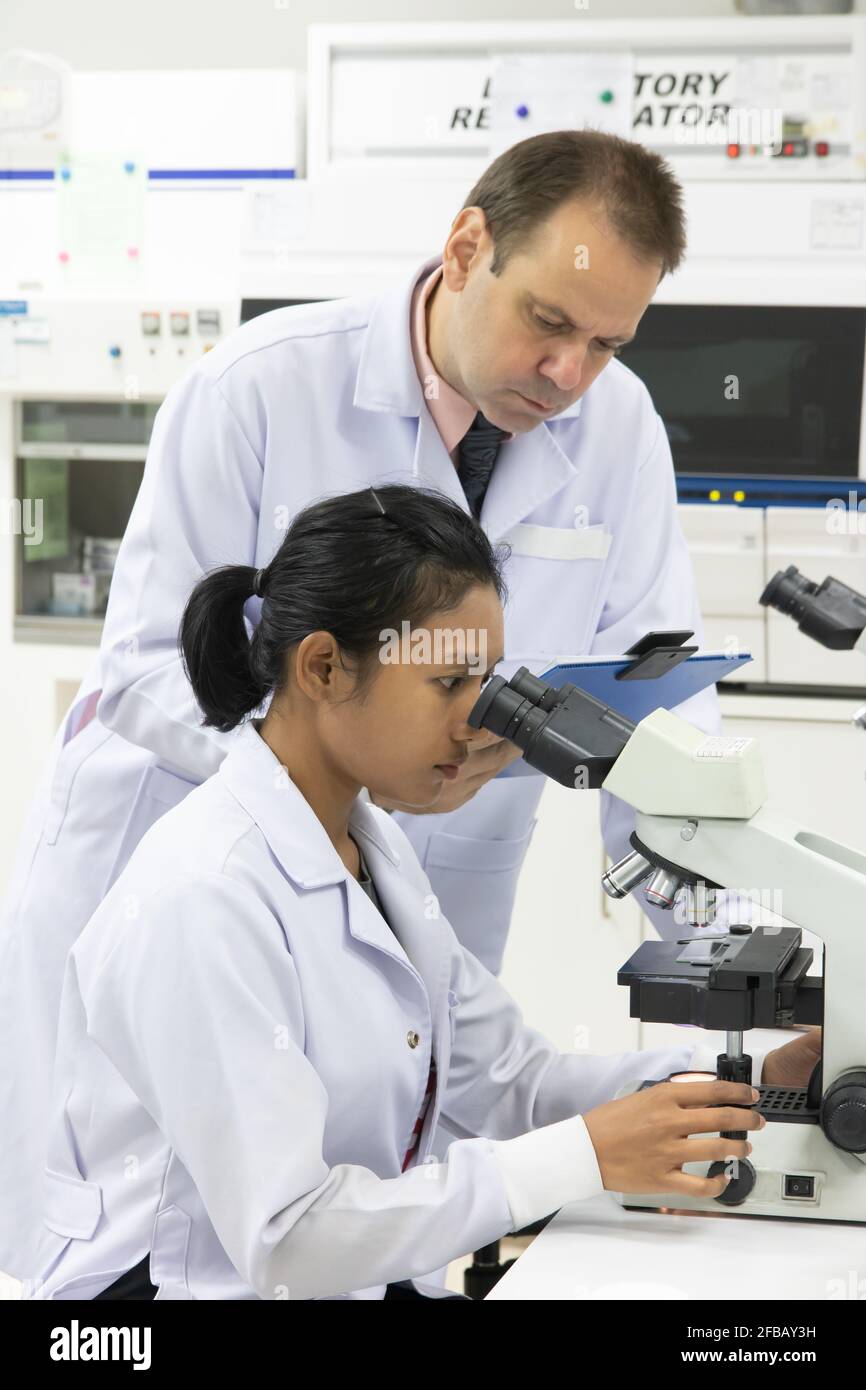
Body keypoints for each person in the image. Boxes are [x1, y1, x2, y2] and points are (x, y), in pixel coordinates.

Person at [2, 130, 732, 1280]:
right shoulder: (258, 387)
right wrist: (320, 800)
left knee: (392, 1170)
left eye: (605, 343)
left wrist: (726, 955)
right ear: (464, 247)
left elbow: (654, 717)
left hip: (384, 866)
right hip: (206, 876)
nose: (569, 376)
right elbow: (152, 671)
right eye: (547, 322)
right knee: (171, 1225)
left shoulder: (616, 425)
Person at [29, 485, 805, 1302]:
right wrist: (582, 1155)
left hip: (351, 1276)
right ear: (324, 667)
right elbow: (285, 1239)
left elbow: (511, 1079)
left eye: (486, 681)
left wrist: (752, 1084)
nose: (479, 721)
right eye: (448, 683)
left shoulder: (371, 846)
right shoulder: (206, 897)